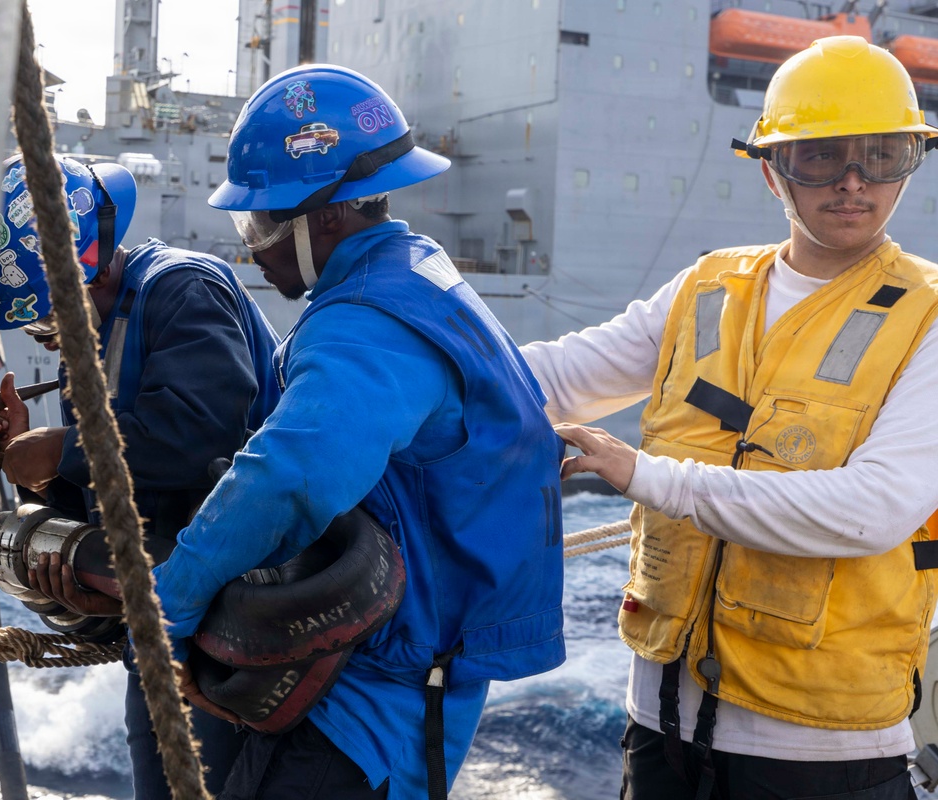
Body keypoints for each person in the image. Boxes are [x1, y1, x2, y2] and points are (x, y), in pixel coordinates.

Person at [521, 36, 938, 800]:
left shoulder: (930, 315)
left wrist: (644, 474)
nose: (853, 183)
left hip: (825, 757)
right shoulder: (705, 288)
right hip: (658, 729)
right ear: (772, 167)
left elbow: (875, 510)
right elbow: (551, 378)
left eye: (882, 156)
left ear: (912, 158)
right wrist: (402, 361)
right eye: (821, 158)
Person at [148, 63, 566, 800]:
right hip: (398, 669)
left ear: (328, 216)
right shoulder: (415, 271)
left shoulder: (365, 327)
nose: (253, 246)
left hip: (372, 701)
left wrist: (166, 609)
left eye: (263, 221)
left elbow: (287, 478)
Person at [0, 153, 282, 798]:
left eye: (41, 316)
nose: (45, 334)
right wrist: (30, 466)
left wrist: (57, 450)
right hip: (172, 624)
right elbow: (111, 490)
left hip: (248, 622)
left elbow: (205, 437)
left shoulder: (182, 289)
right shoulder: (89, 340)